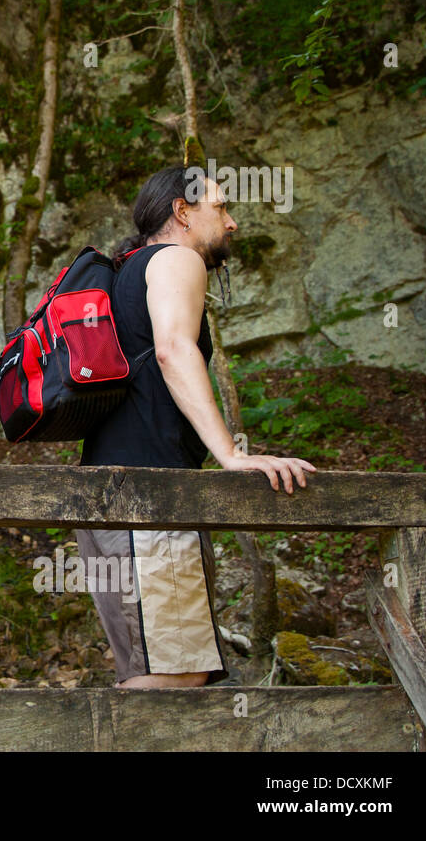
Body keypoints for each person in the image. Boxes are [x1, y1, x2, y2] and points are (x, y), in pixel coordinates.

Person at [76, 165, 316, 689]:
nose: (231, 222)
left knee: (165, 673)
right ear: (182, 212)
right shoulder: (176, 258)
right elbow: (174, 349)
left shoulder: (126, 271)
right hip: (150, 499)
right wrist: (231, 454)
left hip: (107, 499)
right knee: (175, 679)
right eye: (221, 207)